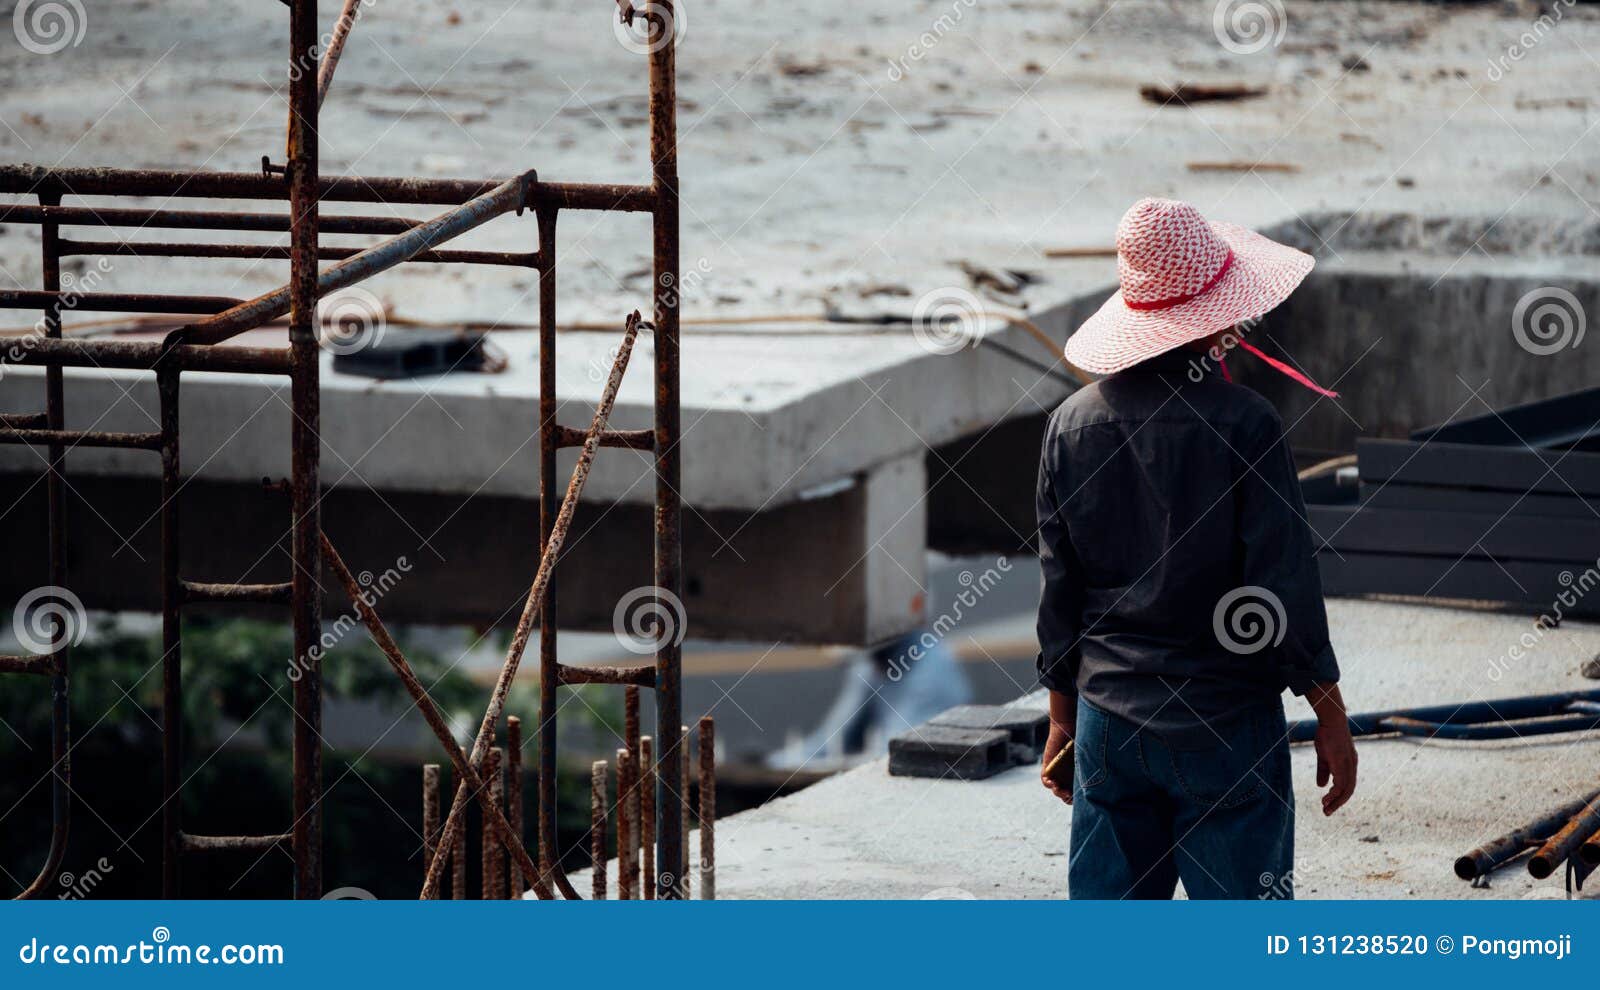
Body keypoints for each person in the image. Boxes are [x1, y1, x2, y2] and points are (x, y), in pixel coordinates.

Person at [1035, 197, 1358, 900]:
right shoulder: (1247, 424)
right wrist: (1329, 712)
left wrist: (1063, 716)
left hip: (1109, 722)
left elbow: (1060, 586)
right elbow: (1283, 585)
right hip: (1226, 726)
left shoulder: (1068, 426)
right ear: (1218, 318)